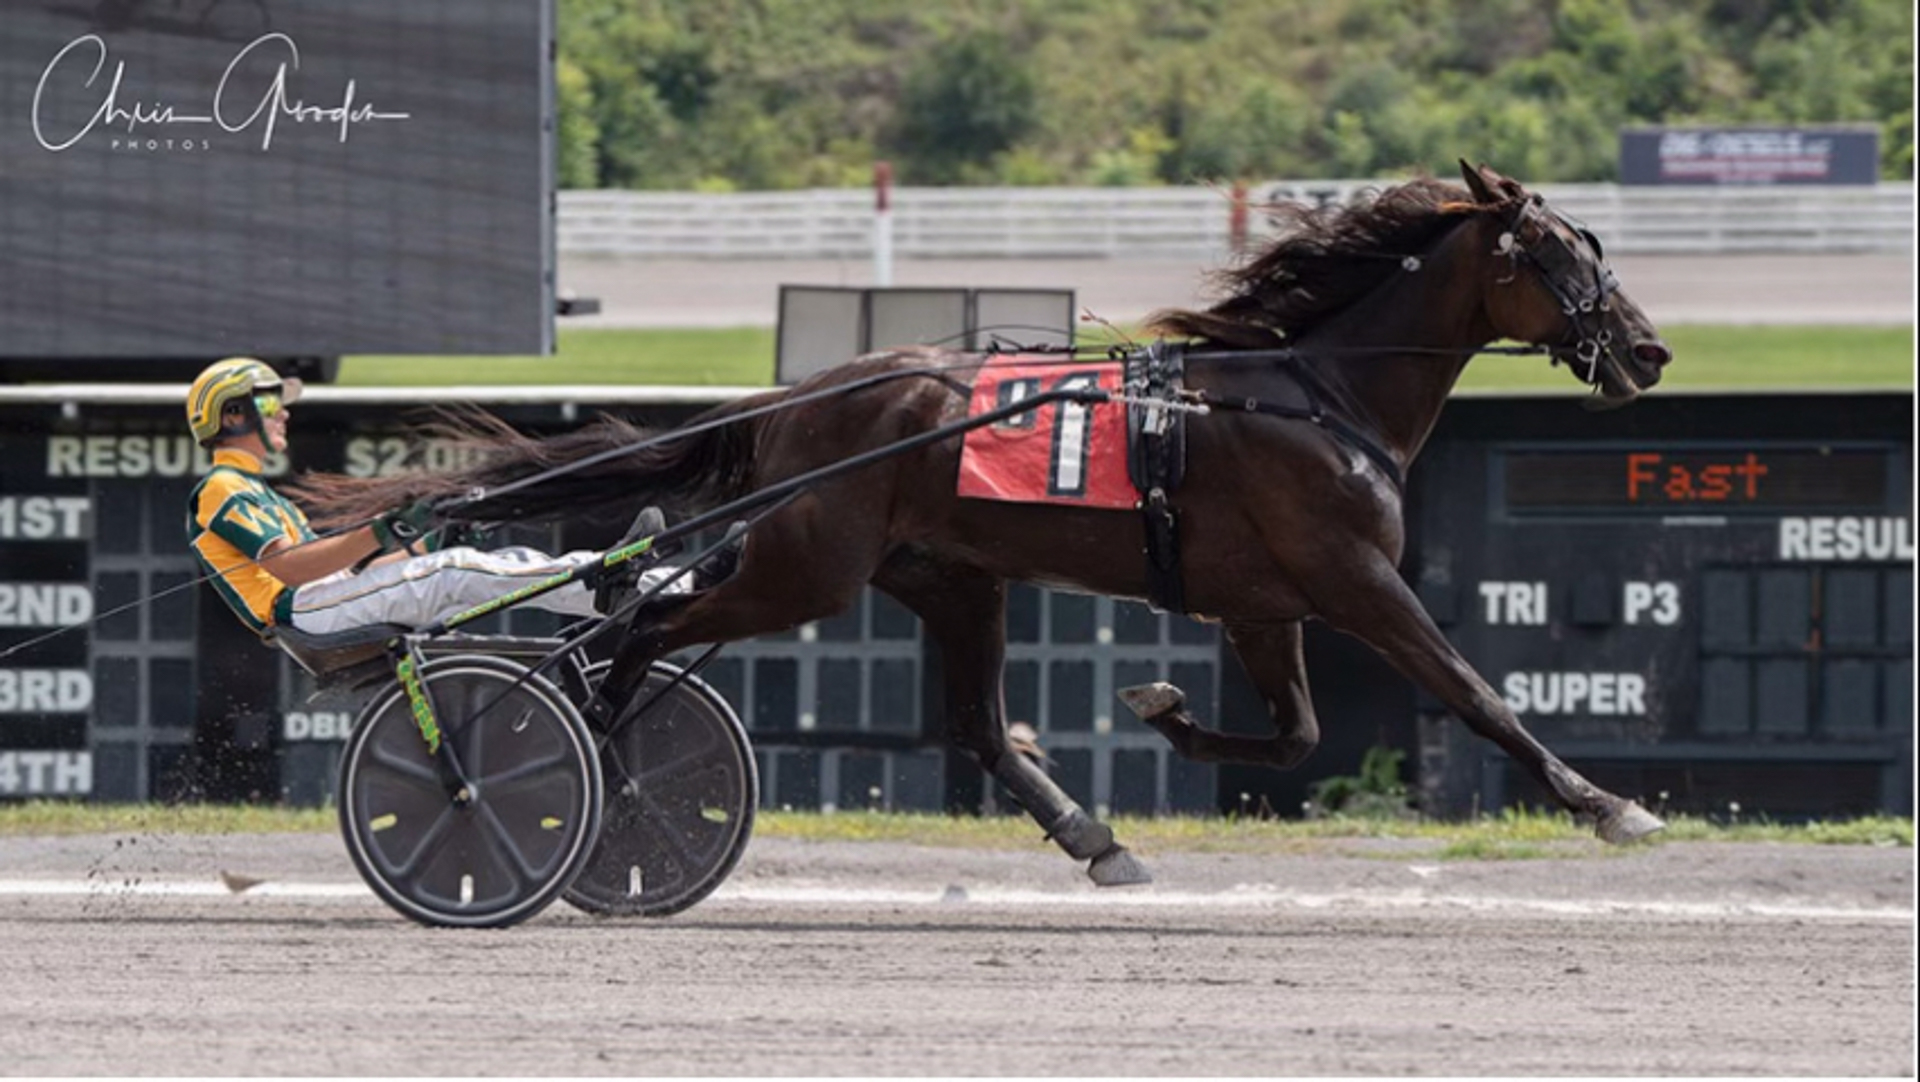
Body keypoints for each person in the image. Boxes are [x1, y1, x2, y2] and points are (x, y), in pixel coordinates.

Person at [184, 357, 680, 641]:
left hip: (322, 601)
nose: (283, 415)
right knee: (454, 570)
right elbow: (292, 569)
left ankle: (664, 586)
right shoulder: (221, 488)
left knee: (488, 560)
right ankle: (604, 585)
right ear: (232, 416)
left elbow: (352, 576)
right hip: (299, 609)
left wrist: (427, 538)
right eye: (270, 403)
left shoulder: (257, 492)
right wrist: (378, 531)